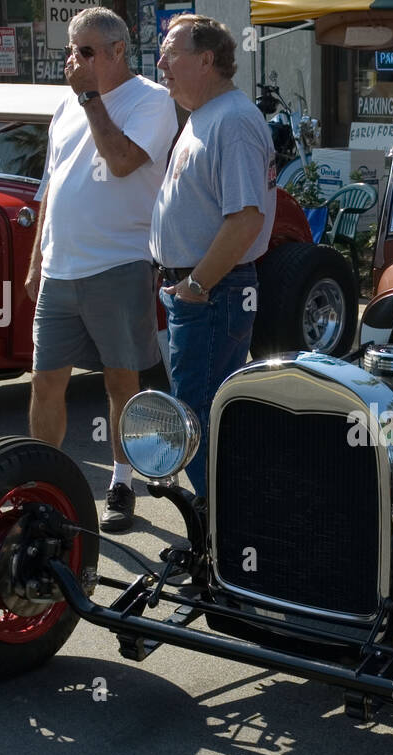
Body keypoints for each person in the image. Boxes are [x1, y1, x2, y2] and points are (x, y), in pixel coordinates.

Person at [25, 7, 177, 532]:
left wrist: (90, 97)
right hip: (60, 268)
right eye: (71, 52)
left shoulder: (152, 101)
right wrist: (35, 261)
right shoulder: (66, 107)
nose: (75, 62)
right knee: (45, 381)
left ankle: (121, 483)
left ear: (117, 52)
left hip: (119, 263)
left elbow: (120, 161)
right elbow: (50, 188)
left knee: (121, 382)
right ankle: (41, 484)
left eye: (86, 52)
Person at [151, 14, 275, 500]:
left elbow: (245, 220)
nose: (161, 62)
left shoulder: (234, 121)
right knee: (197, 413)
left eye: (171, 52)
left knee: (199, 416)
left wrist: (196, 287)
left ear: (207, 60)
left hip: (211, 293)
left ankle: (218, 540)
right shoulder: (208, 116)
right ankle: (219, 538)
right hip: (199, 292)